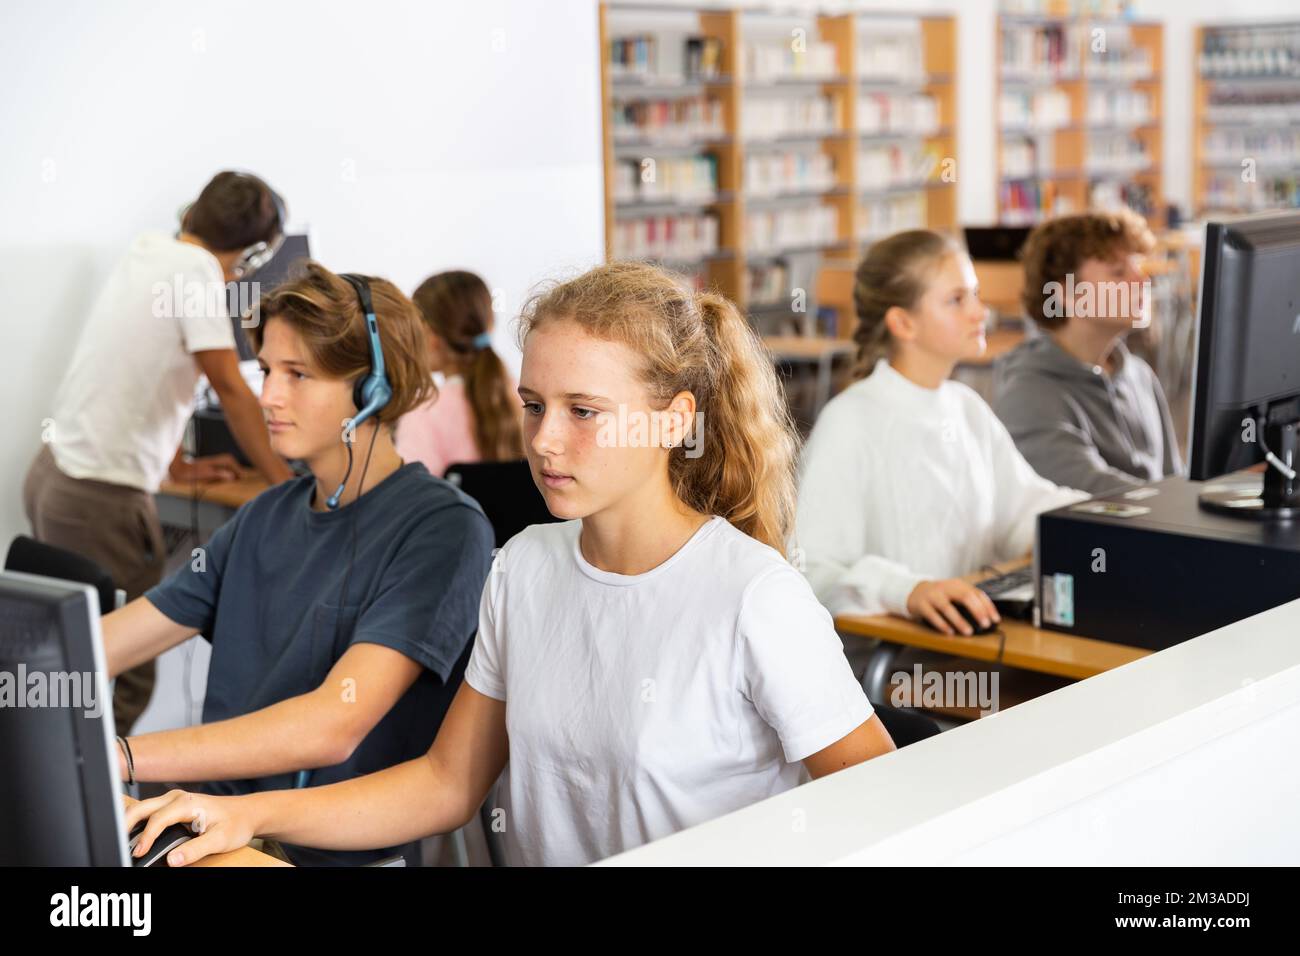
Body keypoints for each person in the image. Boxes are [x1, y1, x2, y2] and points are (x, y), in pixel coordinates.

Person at [125, 261, 895, 868]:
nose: (545, 441)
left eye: (583, 411)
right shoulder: (524, 566)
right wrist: (248, 814)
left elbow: (888, 806)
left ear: (675, 420)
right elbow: (447, 784)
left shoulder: (753, 596)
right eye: (534, 405)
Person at [104, 262, 494, 866]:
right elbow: (115, 639)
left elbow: (332, 726)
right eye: (266, 371)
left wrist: (125, 756)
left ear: (373, 392)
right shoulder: (267, 514)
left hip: (319, 851)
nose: (268, 396)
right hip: (214, 827)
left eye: (298, 374)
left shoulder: (443, 529)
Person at [24, 171, 295, 735]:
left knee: (79, 665)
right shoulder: (196, 273)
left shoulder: (150, 252)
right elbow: (230, 389)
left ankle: (63, 793)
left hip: (54, 480)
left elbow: (148, 373)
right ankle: (91, 807)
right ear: (251, 254)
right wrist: (286, 483)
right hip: (100, 502)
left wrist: (179, 467)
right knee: (124, 676)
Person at [796, 230, 1087, 637]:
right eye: (957, 300)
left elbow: (1020, 509)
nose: (980, 313)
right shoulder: (850, 422)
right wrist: (907, 590)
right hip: (893, 666)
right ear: (902, 323)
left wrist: (1102, 519)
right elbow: (811, 570)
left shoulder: (966, 406)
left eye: (976, 295)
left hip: (974, 640)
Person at [993, 210, 1182, 494]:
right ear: (1066, 295)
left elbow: (1172, 479)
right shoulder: (1028, 395)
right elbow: (1098, 498)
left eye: (1139, 267)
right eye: (1118, 272)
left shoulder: (1138, 375)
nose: (1142, 281)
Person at [394, 270, 523, 476]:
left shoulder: (425, 412)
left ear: (429, 334)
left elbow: (414, 498)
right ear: (489, 323)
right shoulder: (526, 400)